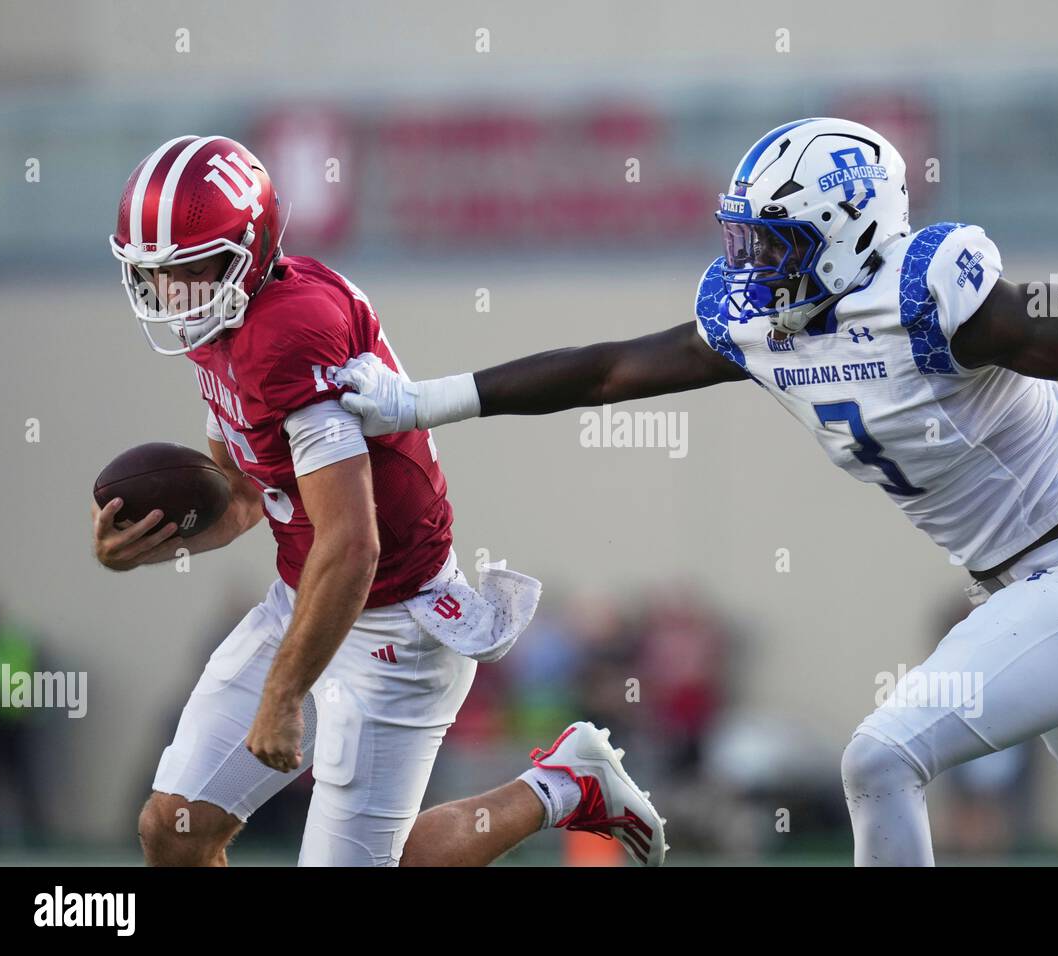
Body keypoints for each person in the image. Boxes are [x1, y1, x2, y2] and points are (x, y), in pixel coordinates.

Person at [335, 117, 1058, 866]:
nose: (752, 268)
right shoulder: (769, 325)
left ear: (853, 233)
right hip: (1027, 594)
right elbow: (605, 371)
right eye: (745, 242)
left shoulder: (933, 296)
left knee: (879, 757)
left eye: (775, 245)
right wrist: (419, 400)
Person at [97, 135, 664, 867]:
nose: (174, 294)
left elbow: (354, 545)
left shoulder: (288, 335)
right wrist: (155, 539)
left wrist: (282, 694)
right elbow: (246, 497)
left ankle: (564, 785)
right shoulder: (222, 321)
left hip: (396, 622)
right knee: (172, 829)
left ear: (249, 248)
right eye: (156, 274)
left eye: (189, 270)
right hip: (309, 593)